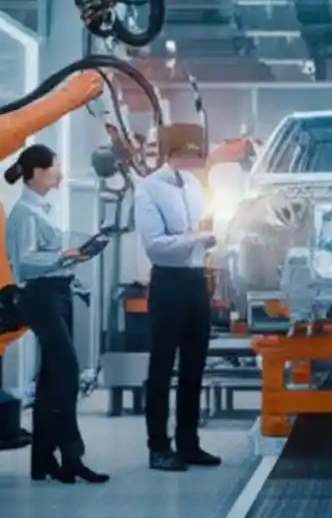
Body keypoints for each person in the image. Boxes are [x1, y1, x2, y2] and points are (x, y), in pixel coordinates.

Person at [5, 144, 108, 485]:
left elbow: (48, 258)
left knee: (50, 380)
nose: (59, 174)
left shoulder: (43, 210)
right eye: (54, 168)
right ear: (35, 172)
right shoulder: (24, 213)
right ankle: (72, 455)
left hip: (57, 294)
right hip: (40, 298)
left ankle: (43, 460)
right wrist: (67, 255)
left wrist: (73, 272)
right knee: (67, 374)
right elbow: (25, 263)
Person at [135, 123, 222, 472]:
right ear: (171, 153)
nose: (195, 160)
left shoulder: (195, 187)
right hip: (168, 282)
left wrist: (208, 240)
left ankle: (189, 443)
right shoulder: (149, 190)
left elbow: (200, 232)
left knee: (194, 366)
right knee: (161, 366)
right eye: (189, 153)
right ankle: (158, 446)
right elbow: (156, 246)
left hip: (195, 282)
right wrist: (195, 239)